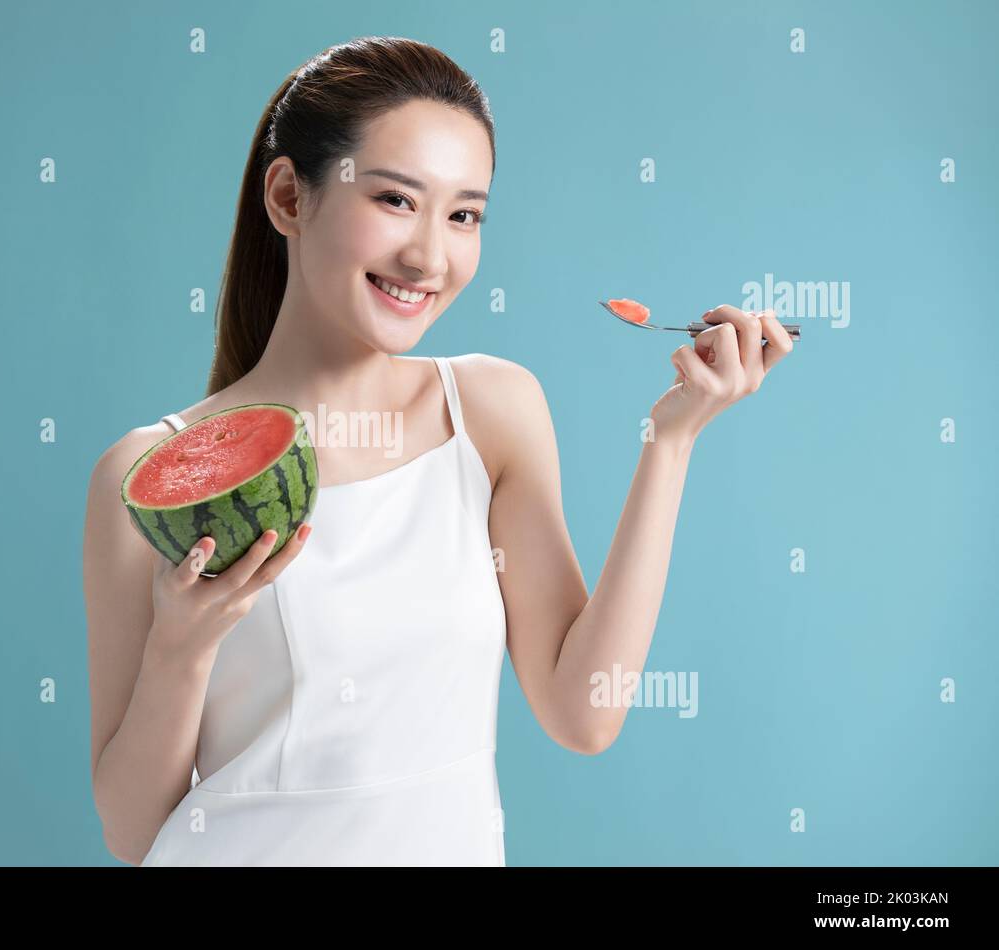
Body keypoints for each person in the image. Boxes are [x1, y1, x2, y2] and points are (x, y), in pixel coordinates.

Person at [83, 36, 793, 866]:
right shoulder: (145, 475)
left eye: (463, 215)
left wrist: (671, 442)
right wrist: (182, 644)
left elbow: (583, 712)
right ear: (288, 196)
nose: (428, 256)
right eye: (393, 200)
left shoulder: (490, 410)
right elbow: (135, 837)